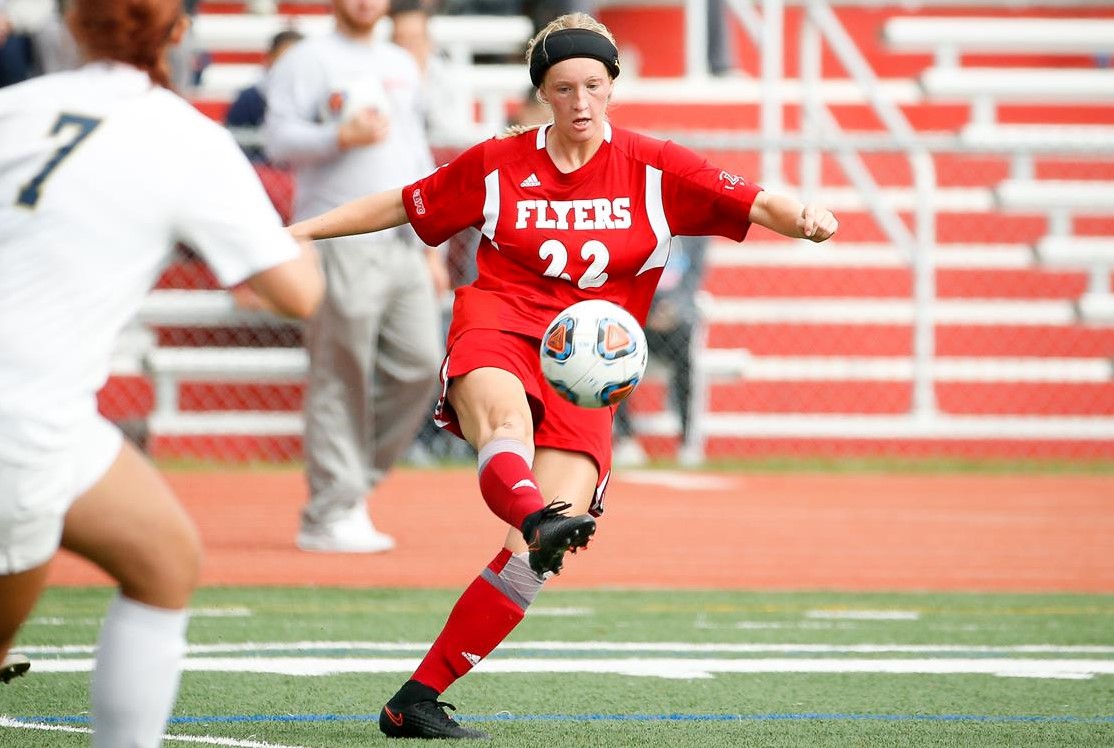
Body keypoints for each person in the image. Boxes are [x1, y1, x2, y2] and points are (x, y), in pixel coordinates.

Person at [289, 12, 837, 739]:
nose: (581, 100)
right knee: (506, 428)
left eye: (594, 84)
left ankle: (413, 700)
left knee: (533, 557)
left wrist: (805, 217)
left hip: (589, 369)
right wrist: (295, 233)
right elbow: (402, 202)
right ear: (542, 93)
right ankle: (531, 510)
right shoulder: (498, 162)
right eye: (563, 87)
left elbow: (758, 200)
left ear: (613, 86)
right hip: (502, 324)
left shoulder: (655, 167)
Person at [0, 1, 325, 745]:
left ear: (74, 27)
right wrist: (296, 240)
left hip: (39, 413)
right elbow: (298, 295)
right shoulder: (184, 138)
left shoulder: (14, 107)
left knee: (165, 555)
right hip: (22, 419)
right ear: (178, 34)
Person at [264, 0, 448, 554]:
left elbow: (412, 149)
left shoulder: (398, 59)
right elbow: (277, 141)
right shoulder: (306, 59)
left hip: (400, 239)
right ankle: (329, 511)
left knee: (421, 366)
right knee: (339, 374)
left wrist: (430, 245)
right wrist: (337, 138)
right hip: (337, 236)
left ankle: (348, 491)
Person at [612, 234, 708, 467]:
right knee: (614, 355)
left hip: (675, 321)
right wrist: (647, 308)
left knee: (685, 354)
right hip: (638, 316)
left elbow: (693, 277)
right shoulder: (645, 220)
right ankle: (624, 437)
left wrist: (674, 308)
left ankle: (687, 440)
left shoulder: (697, 236)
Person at [224, 28, 303, 161]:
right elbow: (233, 143)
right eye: (284, 59)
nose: (290, 67)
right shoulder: (249, 98)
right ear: (270, 58)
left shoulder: (314, 99)